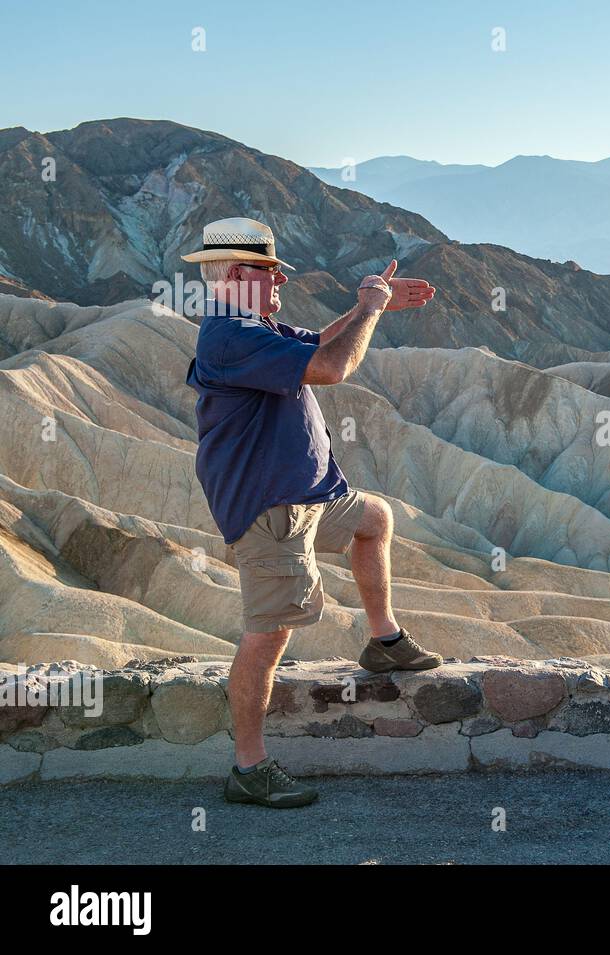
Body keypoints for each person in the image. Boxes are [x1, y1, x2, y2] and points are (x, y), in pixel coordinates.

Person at [182, 217, 442, 808]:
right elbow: (332, 368)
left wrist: (365, 311)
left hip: (308, 495)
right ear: (241, 275)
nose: (281, 282)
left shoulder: (256, 323)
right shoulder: (228, 336)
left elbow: (318, 345)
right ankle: (249, 767)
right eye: (272, 273)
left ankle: (384, 640)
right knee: (268, 632)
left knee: (374, 519)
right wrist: (371, 310)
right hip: (269, 508)